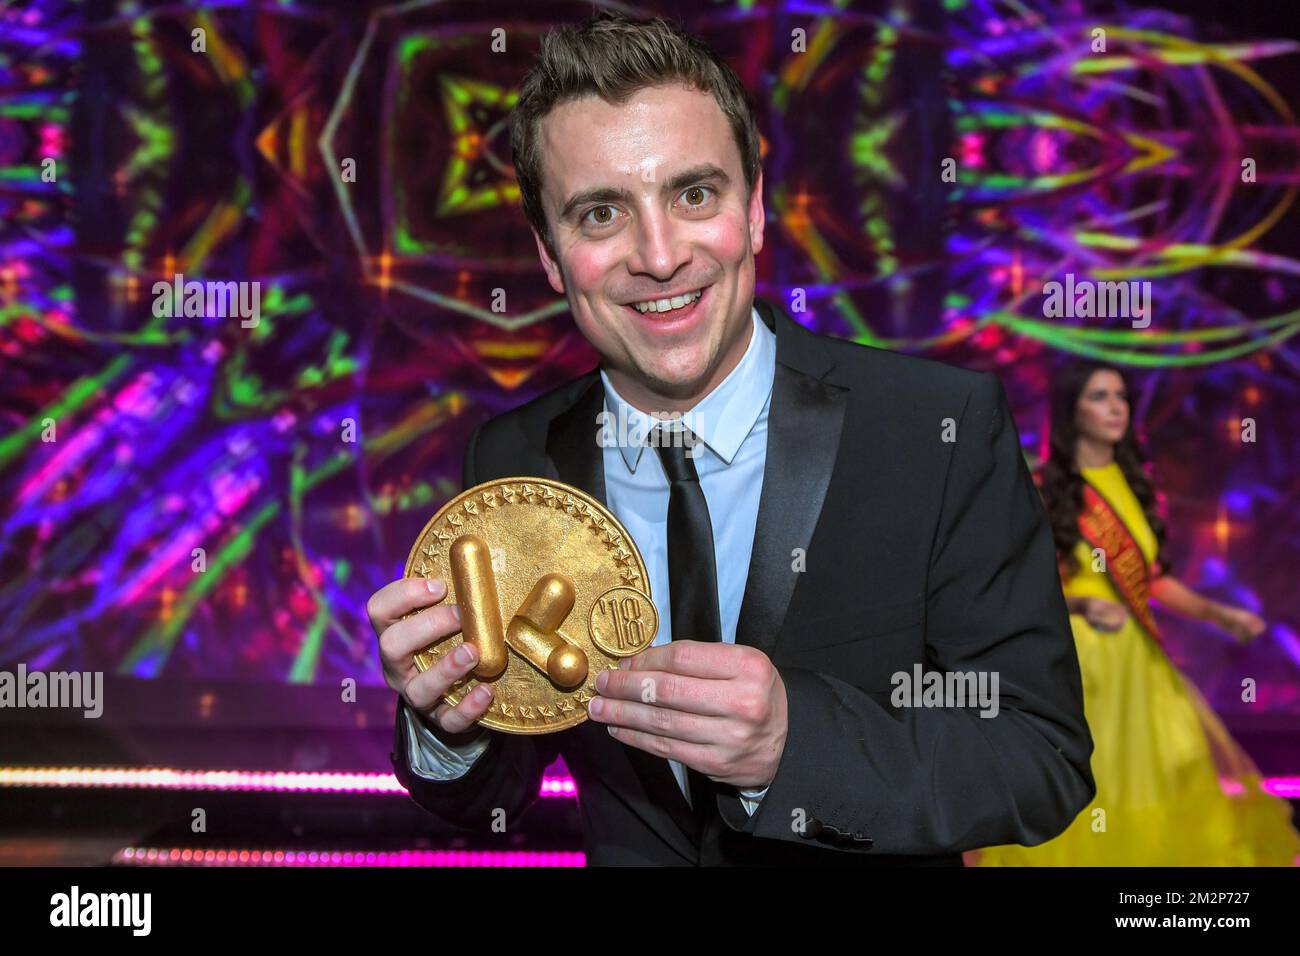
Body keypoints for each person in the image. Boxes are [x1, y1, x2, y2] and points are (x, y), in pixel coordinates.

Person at [368, 12, 1096, 865]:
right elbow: (497, 789)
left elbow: (1038, 758)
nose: (659, 254)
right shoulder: (513, 462)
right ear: (552, 257)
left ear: (753, 209)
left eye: (693, 194)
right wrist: (442, 724)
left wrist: (797, 745)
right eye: (601, 213)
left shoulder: (934, 429)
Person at [968, 362, 1300, 866]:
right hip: (1079, 661)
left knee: (1172, 766)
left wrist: (1221, 615)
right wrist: (1082, 602)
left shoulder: (1136, 486)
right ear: (1071, 409)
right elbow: (1017, 587)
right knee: (1090, 786)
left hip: (1140, 662)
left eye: (1120, 396)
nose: (1115, 407)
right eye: (1099, 396)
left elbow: (1154, 581)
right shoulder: (1043, 488)